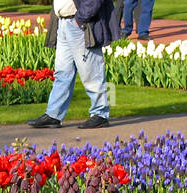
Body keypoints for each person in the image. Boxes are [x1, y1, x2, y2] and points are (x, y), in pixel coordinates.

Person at [27, 0, 119, 130]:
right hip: (64, 22)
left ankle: (100, 114)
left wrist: (81, 18)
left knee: (91, 72)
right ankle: (54, 114)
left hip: (80, 23)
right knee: (62, 72)